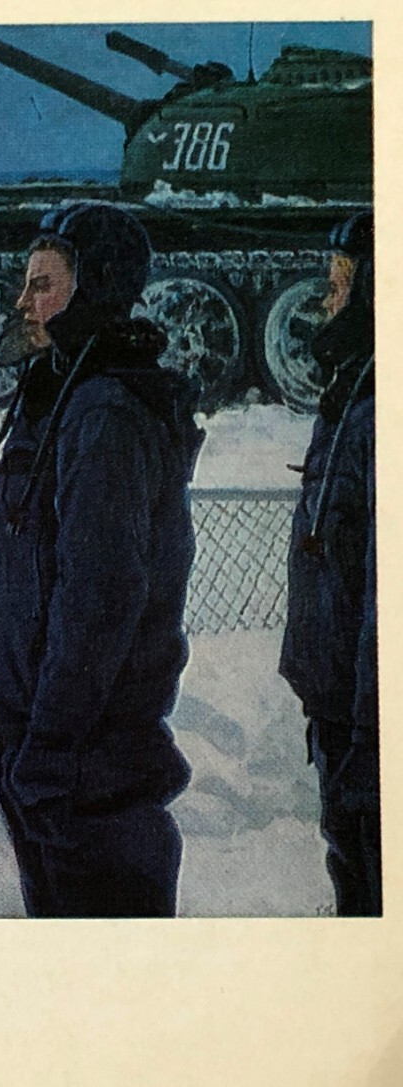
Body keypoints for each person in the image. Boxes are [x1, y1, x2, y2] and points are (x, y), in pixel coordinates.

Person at [0, 202, 203, 918]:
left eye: (43, 283)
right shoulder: (65, 392)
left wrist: (52, 743)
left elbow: (100, 596)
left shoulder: (104, 412)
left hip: (83, 746)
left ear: (94, 285)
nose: (23, 302)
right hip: (43, 725)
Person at [280, 210, 377, 916]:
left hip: (368, 723)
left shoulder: (378, 409)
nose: (327, 304)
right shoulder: (350, 395)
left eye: (341, 287)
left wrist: (374, 733)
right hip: (340, 706)